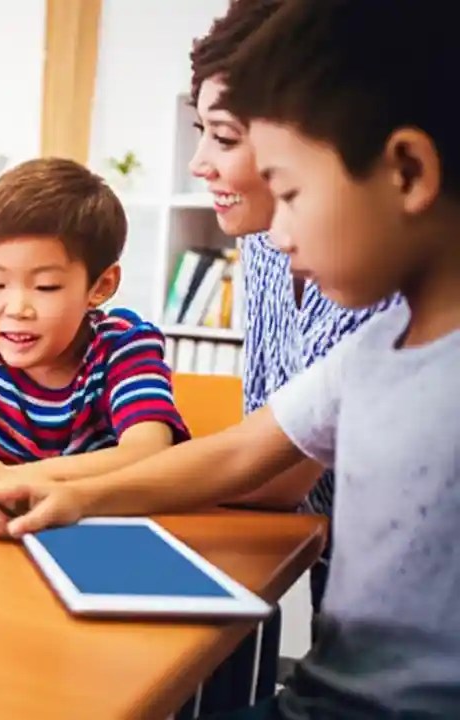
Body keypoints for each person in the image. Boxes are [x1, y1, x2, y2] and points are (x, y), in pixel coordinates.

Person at [0, 2, 460, 716]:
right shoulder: (370, 354)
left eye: (288, 191)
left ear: (408, 171)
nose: (273, 232)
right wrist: (72, 493)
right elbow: (239, 454)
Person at [187, 0, 395, 616]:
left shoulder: (381, 273)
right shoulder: (263, 240)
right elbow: (264, 430)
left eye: (224, 136)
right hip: (342, 598)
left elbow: (269, 469)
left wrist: (71, 482)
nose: (199, 162)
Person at [0, 158, 188, 488]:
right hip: (3, 529)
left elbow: (148, 454)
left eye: (46, 287)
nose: (17, 309)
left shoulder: (123, 347)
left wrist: (10, 477)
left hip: (98, 528)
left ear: (100, 286)